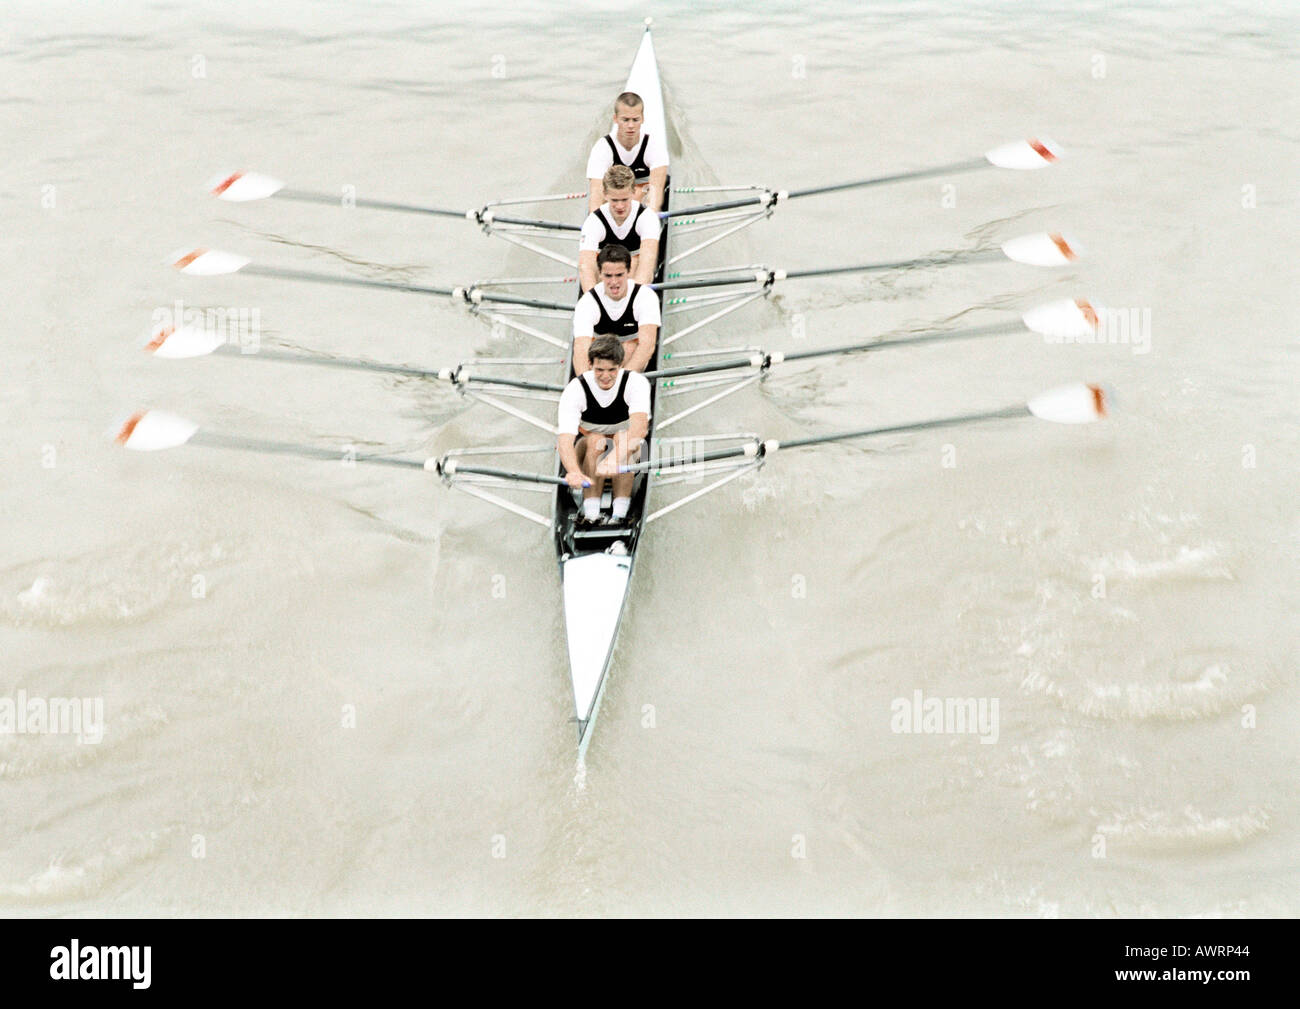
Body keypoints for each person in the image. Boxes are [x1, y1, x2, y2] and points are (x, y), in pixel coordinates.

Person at [557, 335, 651, 524]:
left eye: (612, 370)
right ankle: (591, 513)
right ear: (590, 364)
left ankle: (620, 513)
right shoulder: (576, 389)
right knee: (596, 440)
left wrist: (614, 459)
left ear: (621, 365)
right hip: (589, 448)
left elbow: (639, 430)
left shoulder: (636, 383)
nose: (606, 376)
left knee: (623, 438)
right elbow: (565, 440)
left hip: (628, 448)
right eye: (599, 370)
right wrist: (573, 471)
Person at [572, 244, 660, 374]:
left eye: (619, 275)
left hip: (631, 369)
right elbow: (580, 351)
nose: (614, 282)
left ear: (629, 272)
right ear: (600, 274)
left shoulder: (645, 297)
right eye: (608, 276)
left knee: (629, 347)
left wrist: (623, 384)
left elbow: (647, 347)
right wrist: (587, 386)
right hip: (599, 370)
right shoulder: (587, 302)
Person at [579, 165, 661, 291]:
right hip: (607, 278)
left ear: (634, 192)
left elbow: (647, 264)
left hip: (635, 276)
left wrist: (634, 300)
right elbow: (586, 267)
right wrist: (593, 300)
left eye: (624, 199)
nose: (620, 206)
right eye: (615, 200)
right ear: (605, 194)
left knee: (636, 265)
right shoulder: (594, 222)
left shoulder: (647, 218)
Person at [585, 91, 668, 214]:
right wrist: (595, 220)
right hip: (616, 195)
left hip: (643, 193)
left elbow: (656, 190)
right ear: (616, 119)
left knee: (652, 190)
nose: (630, 125)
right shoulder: (602, 148)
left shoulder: (654, 145)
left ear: (643, 119)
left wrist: (650, 218)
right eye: (625, 120)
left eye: (635, 120)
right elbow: (597, 193)